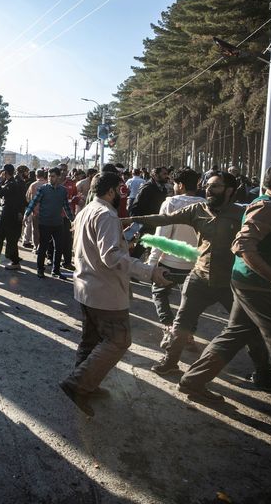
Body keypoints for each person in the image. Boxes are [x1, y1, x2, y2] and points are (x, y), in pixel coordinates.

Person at [178, 160, 271, 446]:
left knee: (235, 333)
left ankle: (193, 380)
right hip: (259, 288)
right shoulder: (268, 206)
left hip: (254, 285)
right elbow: (242, 246)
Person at [127, 171, 271, 383]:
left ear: (229, 190)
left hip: (230, 281)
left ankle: (264, 373)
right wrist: (129, 219)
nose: (208, 190)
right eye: (207, 185)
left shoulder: (241, 214)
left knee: (248, 326)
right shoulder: (198, 209)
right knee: (181, 322)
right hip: (199, 277)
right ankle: (170, 362)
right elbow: (164, 219)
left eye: (215, 186)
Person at [60, 172, 170, 416]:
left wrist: (123, 242)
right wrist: (149, 271)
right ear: (110, 191)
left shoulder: (87, 210)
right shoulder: (107, 215)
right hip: (105, 292)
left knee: (91, 340)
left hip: (87, 288)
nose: (123, 195)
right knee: (118, 340)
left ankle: (86, 384)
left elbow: (95, 247)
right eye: (120, 190)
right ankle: (79, 383)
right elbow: (110, 257)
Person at [144, 168, 206, 346]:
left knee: (159, 293)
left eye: (175, 184)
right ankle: (188, 334)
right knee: (191, 301)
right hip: (195, 263)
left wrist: (152, 264)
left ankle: (169, 327)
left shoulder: (171, 203)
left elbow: (161, 236)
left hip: (169, 263)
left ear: (180, 185)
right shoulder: (205, 204)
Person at [25, 167, 73, 279]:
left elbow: (66, 207)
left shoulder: (63, 190)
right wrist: (26, 214)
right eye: (49, 176)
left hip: (58, 223)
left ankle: (56, 271)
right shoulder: (43, 189)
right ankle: (40, 270)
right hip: (45, 223)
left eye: (53, 176)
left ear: (58, 177)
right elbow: (34, 202)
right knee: (43, 247)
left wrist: (72, 220)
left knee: (59, 247)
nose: (50, 178)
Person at [0, 164, 27, 270]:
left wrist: (0, 182)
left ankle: (15, 262)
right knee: (0, 238)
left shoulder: (11, 184)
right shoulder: (11, 183)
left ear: (6, 172)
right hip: (8, 214)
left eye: (3, 172)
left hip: (10, 215)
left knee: (10, 239)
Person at [23, 168, 48, 249]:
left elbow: (28, 198)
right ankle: (44, 247)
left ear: (36, 175)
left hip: (35, 211)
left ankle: (36, 246)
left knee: (36, 230)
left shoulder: (33, 185)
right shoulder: (48, 184)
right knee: (45, 231)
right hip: (46, 212)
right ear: (44, 175)